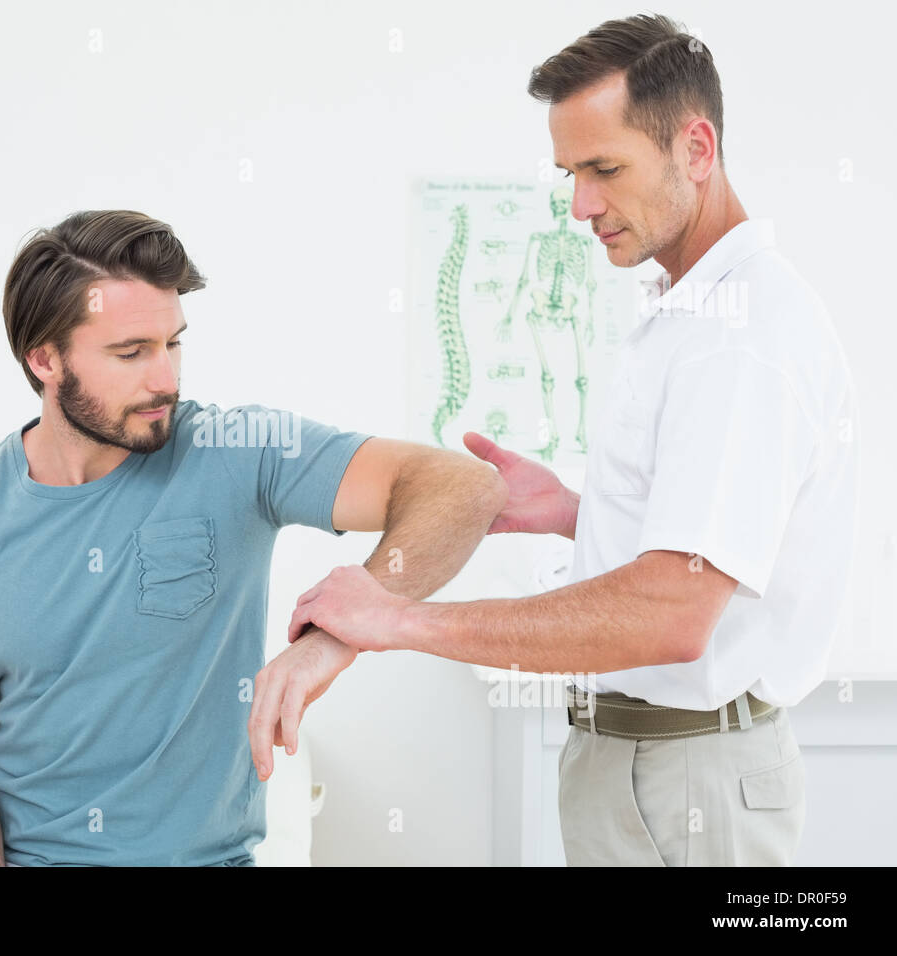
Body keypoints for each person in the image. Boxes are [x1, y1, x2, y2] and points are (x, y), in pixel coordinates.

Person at [277, 13, 859, 866]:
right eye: (570, 173)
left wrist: (400, 621)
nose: (580, 205)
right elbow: (710, 548)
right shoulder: (685, 310)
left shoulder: (741, 337)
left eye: (604, 169)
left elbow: (672, 612)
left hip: (689, 781)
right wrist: (574, 514)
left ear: (696, 149)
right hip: (637, 762)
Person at [0, 209, 507, 866]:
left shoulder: (237, 452)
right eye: (131, 352)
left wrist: (345, 630)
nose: (164, 378)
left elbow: (463, 488)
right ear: (46, 360)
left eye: (173, 343)